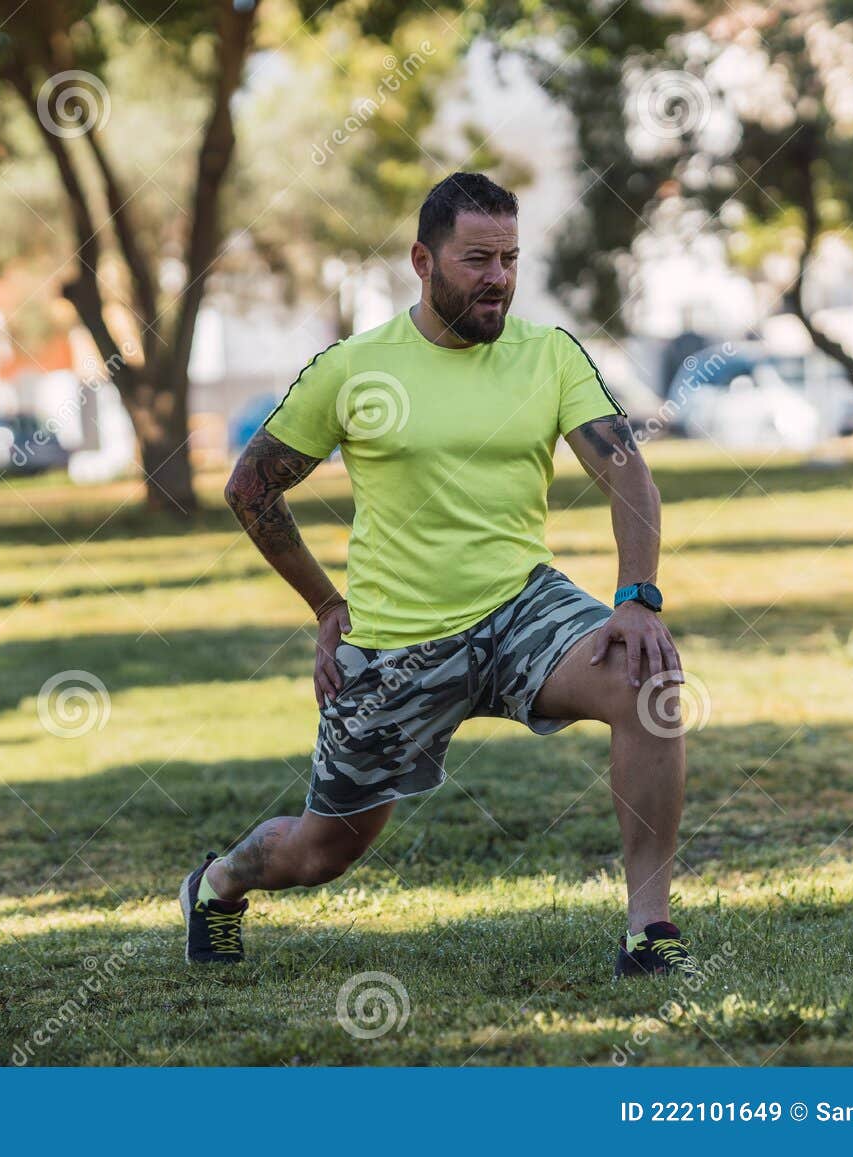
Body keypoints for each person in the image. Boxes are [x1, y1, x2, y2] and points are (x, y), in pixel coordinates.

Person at [181, 173, 697, 980]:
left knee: (648, 676)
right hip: (396, 642)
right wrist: (325, 603)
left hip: (523, 609)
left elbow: (625, 473)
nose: (499, 277)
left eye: (511, 259)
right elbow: (251, 489)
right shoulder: (355, 367)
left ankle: (649, 926)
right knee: (322, 853)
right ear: (424, 261)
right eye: (478, 259)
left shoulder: (549, 355)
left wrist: (636, 597)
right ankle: (217, 885)